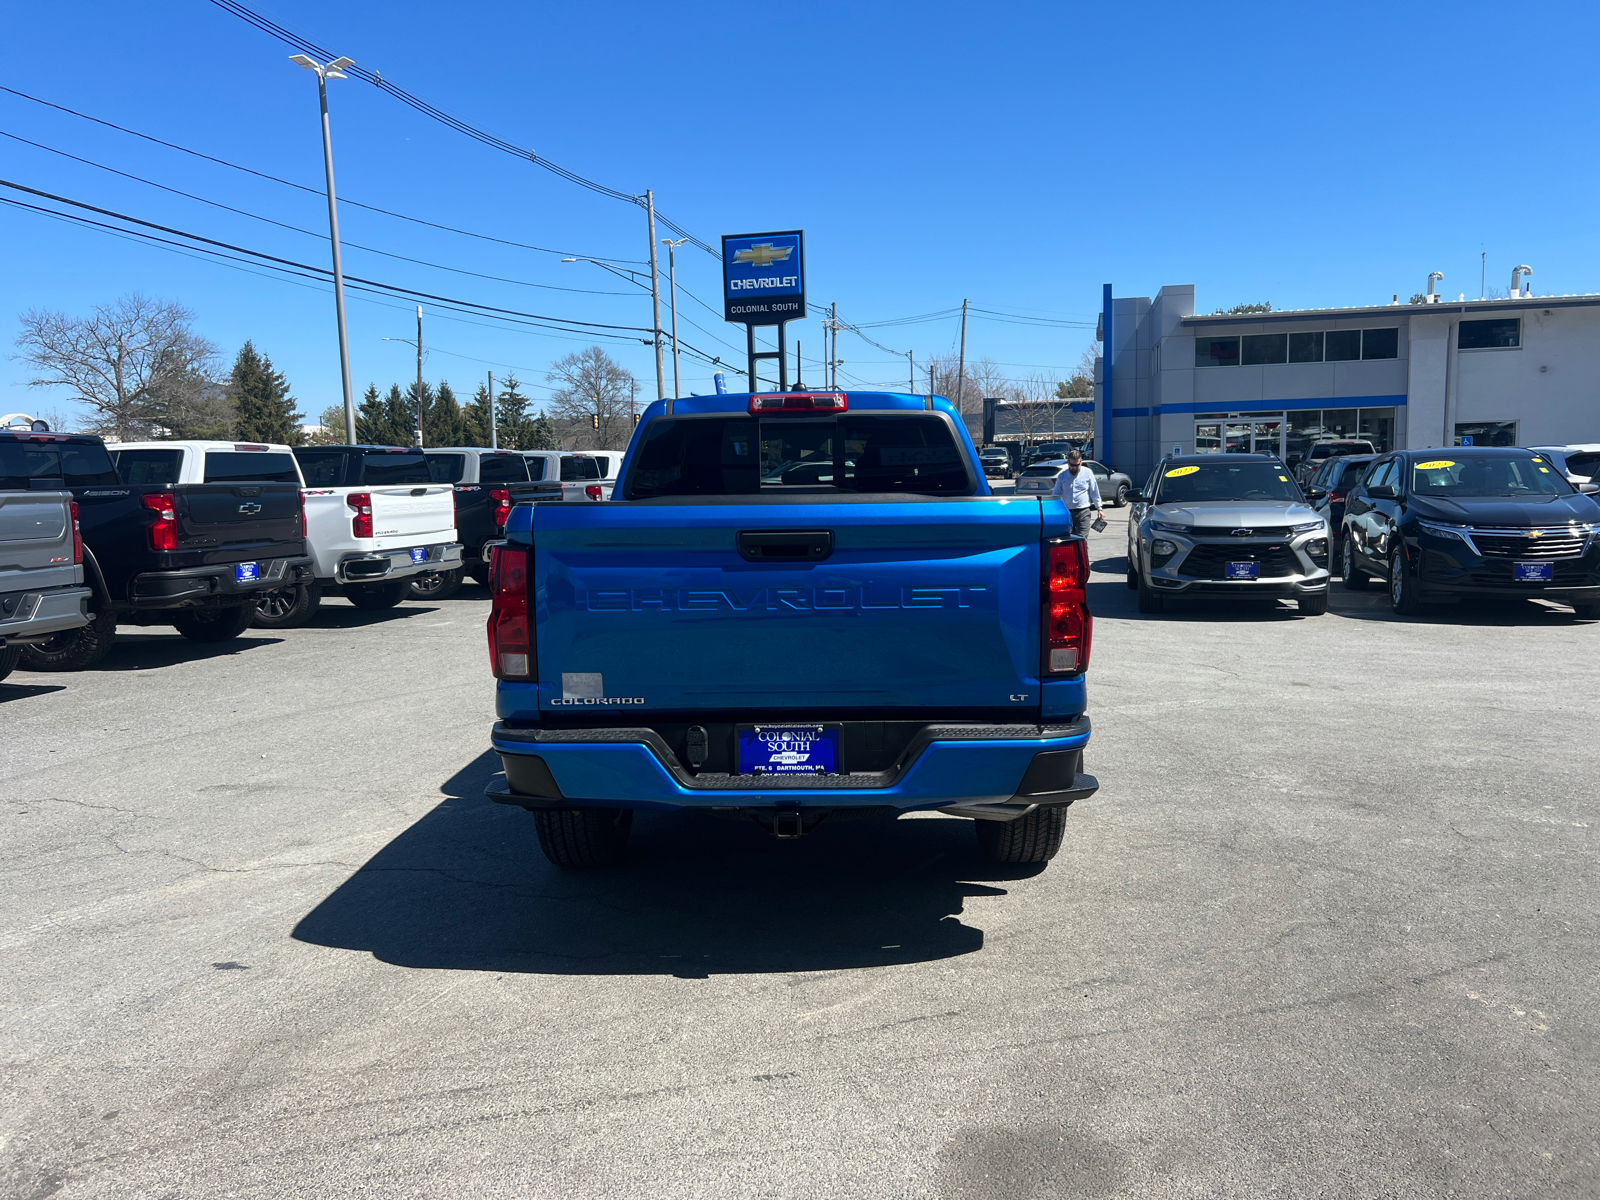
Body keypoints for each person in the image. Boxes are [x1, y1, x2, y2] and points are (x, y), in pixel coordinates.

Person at [1050, 449, 1105, 536]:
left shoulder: (1088, 473)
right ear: (1068, 462)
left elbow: (1094, 491)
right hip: (1067, 513)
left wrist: (1099, 508)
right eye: (1072, 465)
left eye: (1077, 465)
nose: (1074, 467)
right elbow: (1056, 494)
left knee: (1082, 539)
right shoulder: (1062, 476)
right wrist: (1055, 510)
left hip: (1083, 512)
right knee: (1068, 539)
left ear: (1081, 462)